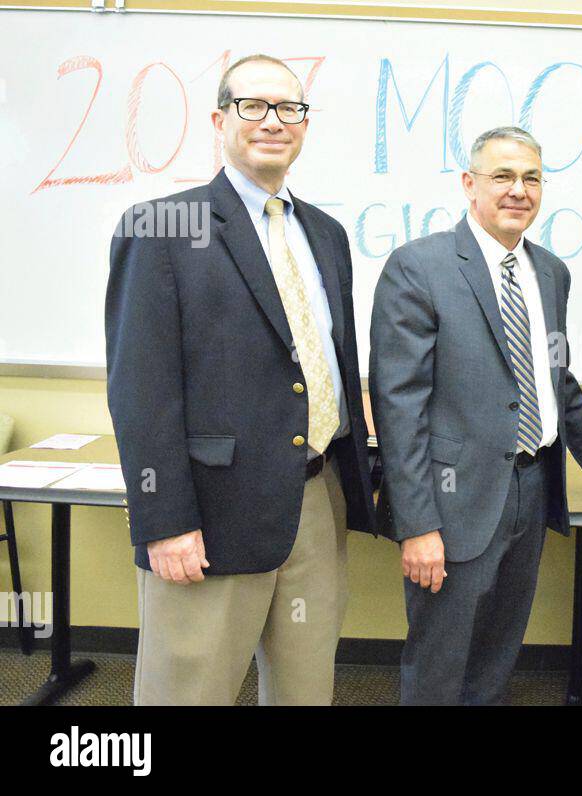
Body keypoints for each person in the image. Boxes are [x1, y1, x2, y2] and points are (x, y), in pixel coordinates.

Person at [106, 54, 376, 705]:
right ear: (219, 120)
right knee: (188, 692)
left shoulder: (327, 234)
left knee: (305, 689)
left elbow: (325, 363)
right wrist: (163, 520)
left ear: (304, 124)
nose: (273, 120)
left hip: (317, 500)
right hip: (209, 514)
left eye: (289, 108)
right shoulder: (163, 225)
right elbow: (141, 387)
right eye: (253, 106)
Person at [370, 126, 582, 705]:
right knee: (440, 663)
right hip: (452, 501)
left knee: (497, 654)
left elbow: (556, 381)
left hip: (532, 487)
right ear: (469, 185)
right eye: (502, 176)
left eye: (531, 178)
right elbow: (398, 407)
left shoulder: (551, 272)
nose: (518, 190)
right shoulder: (418, 267)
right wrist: (418, 524)